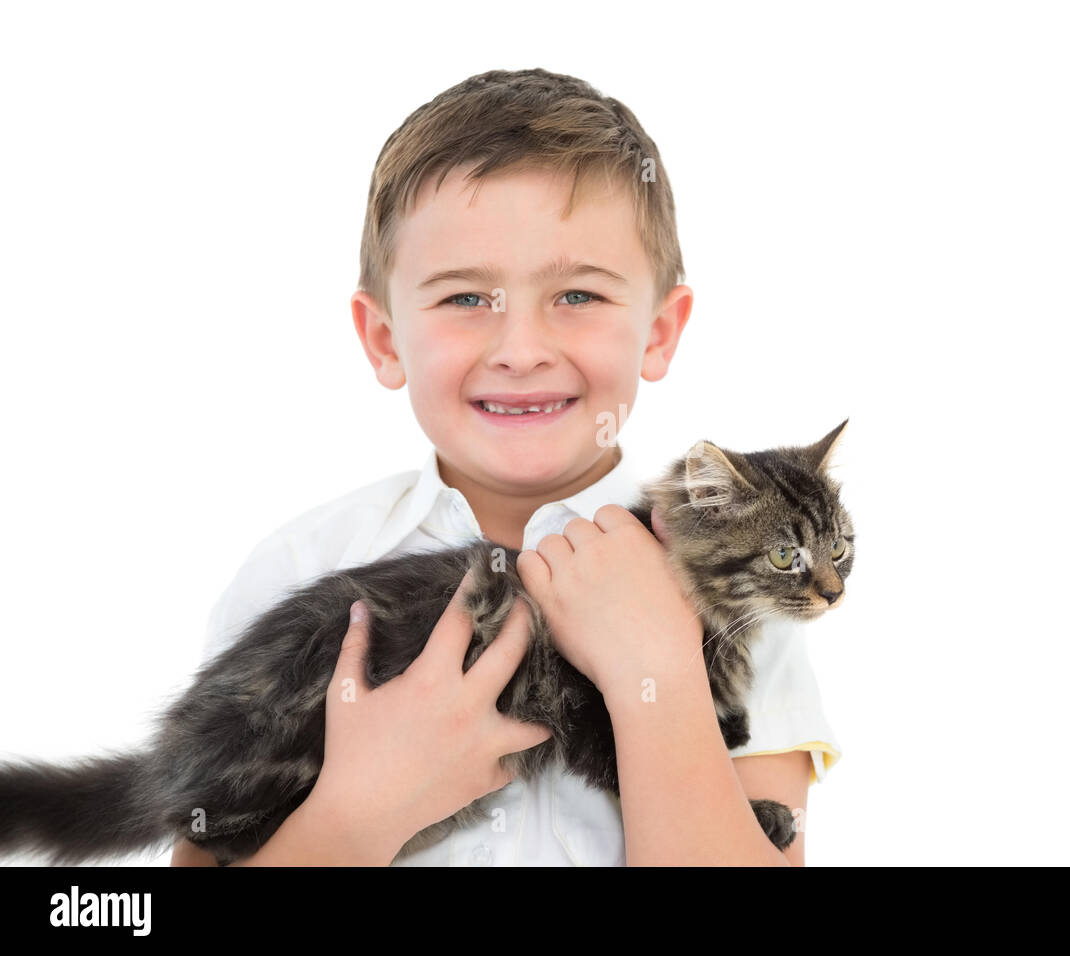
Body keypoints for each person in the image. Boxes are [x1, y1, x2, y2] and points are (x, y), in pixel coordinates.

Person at [172, 67, 841, 867]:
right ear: (384, 340)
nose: (522, 351)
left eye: (579, 296)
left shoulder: (742, 598)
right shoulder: (300, 567)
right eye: (465, 299)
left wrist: (655, 676)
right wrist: (363, 811)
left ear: (659, 332)